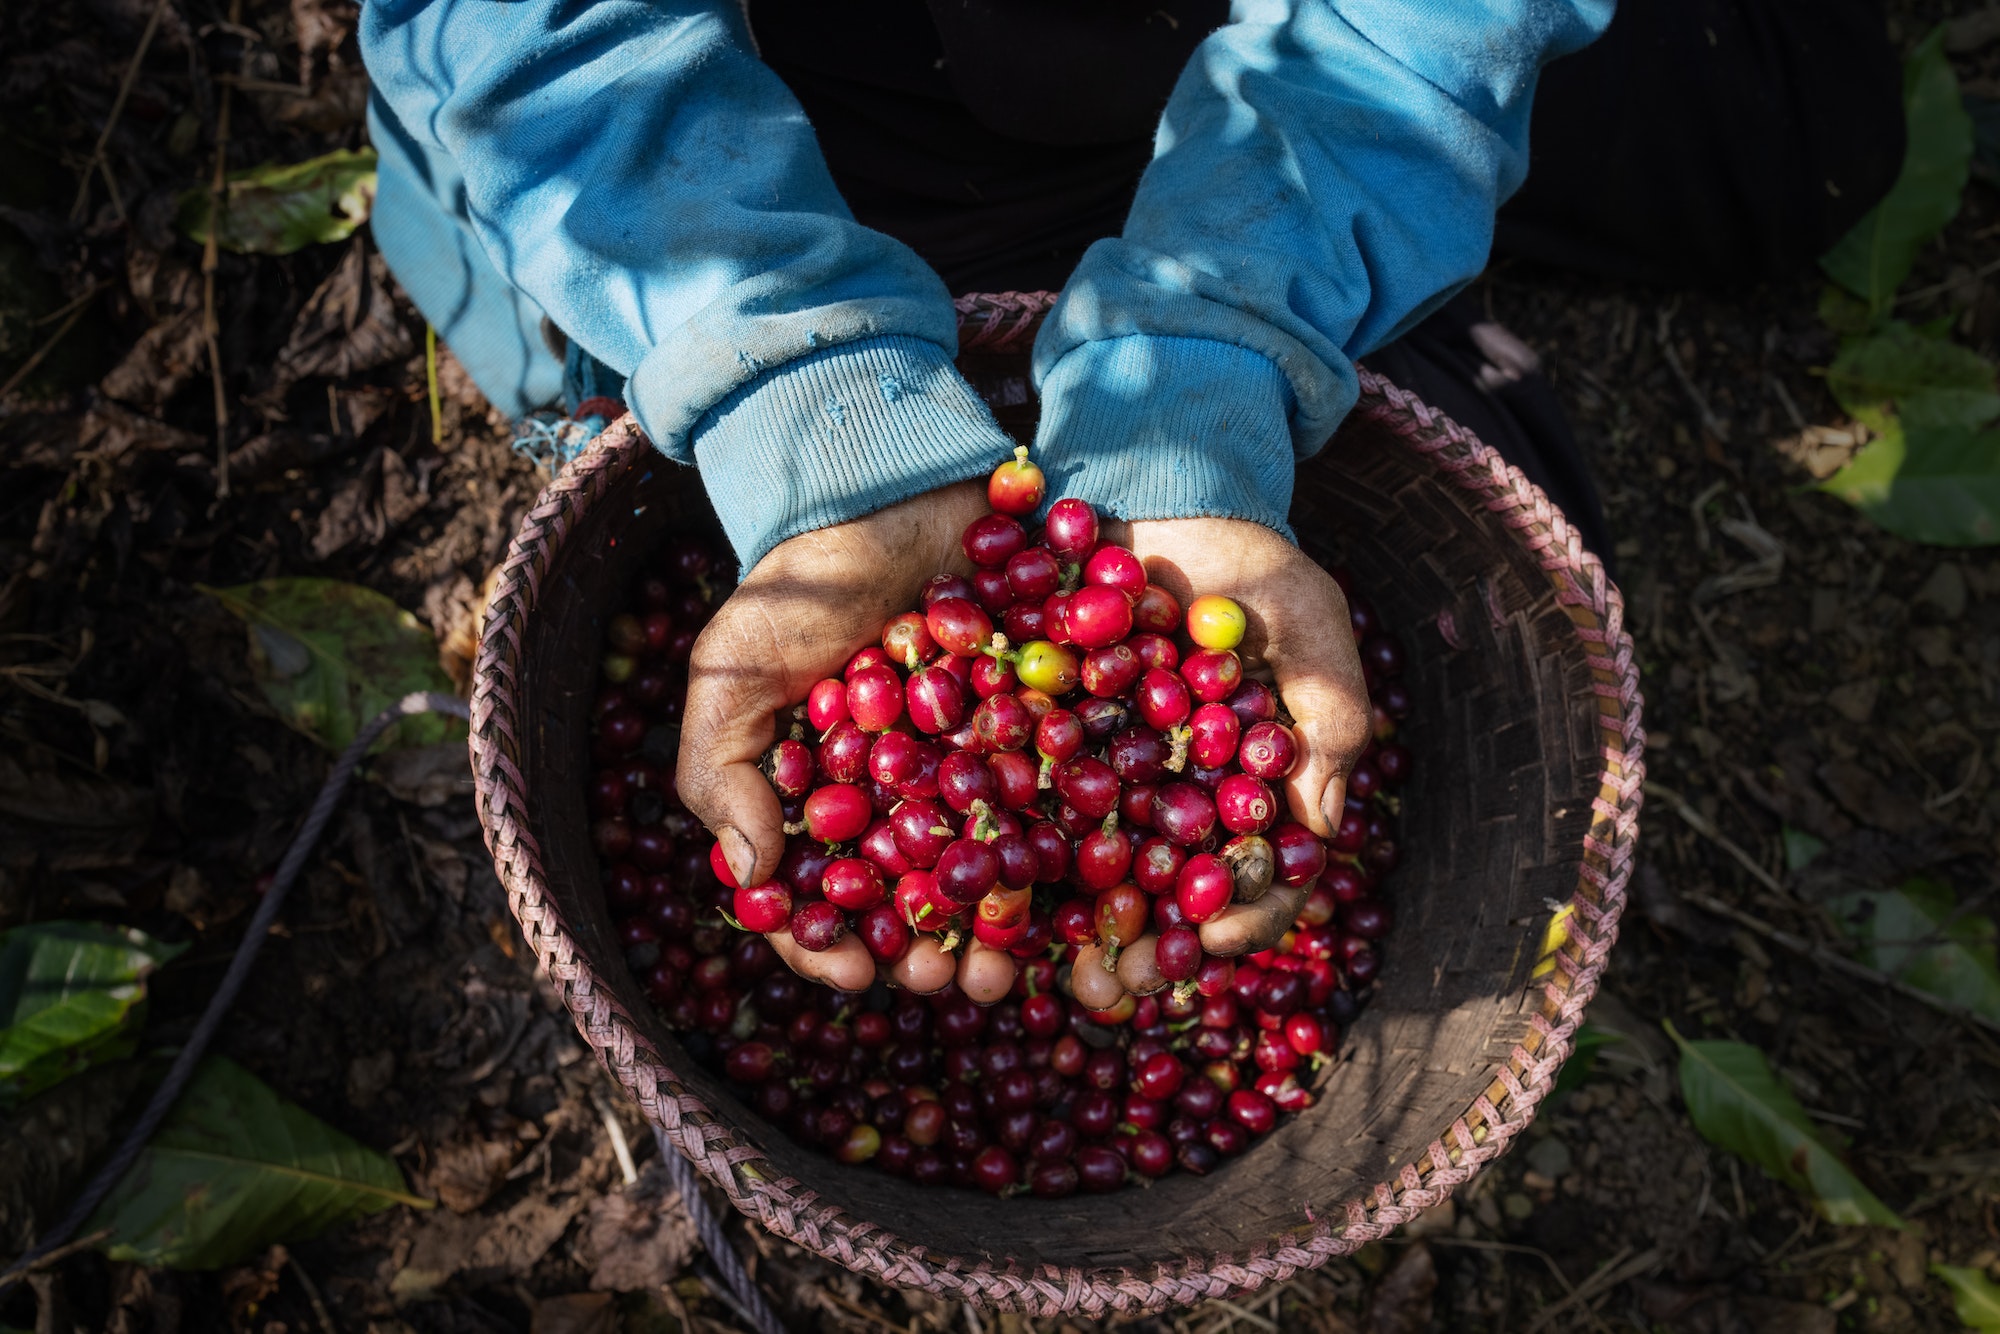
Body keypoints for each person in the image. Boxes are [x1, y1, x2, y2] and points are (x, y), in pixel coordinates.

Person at [357, 0, 1899, 1004]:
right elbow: (531, 38)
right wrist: (795, 395)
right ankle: (713, 317)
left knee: (1806, 139)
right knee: (606, 290)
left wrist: (1211, 347)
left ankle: (1242, 192)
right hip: (752, 82)